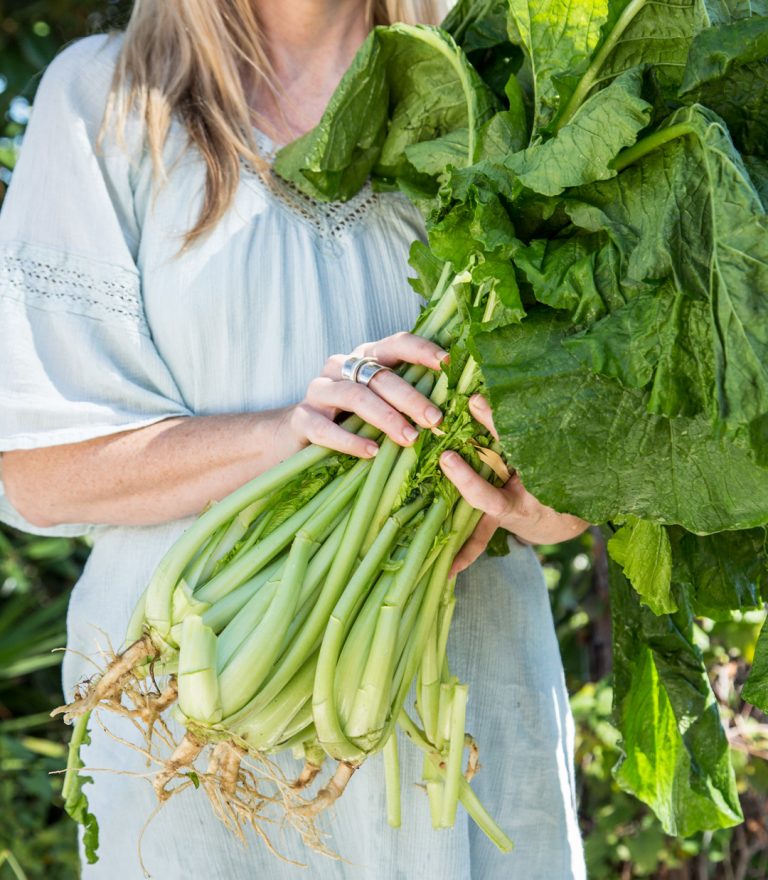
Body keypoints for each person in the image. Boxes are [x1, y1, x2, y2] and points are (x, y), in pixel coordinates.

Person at [0, 1, 589, 877]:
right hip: (182, 739)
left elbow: (578, 478)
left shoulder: (501, 85)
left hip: (459, 725)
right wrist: (293, 432)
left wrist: (541, 504)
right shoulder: (108, 98)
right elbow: (42, 473)